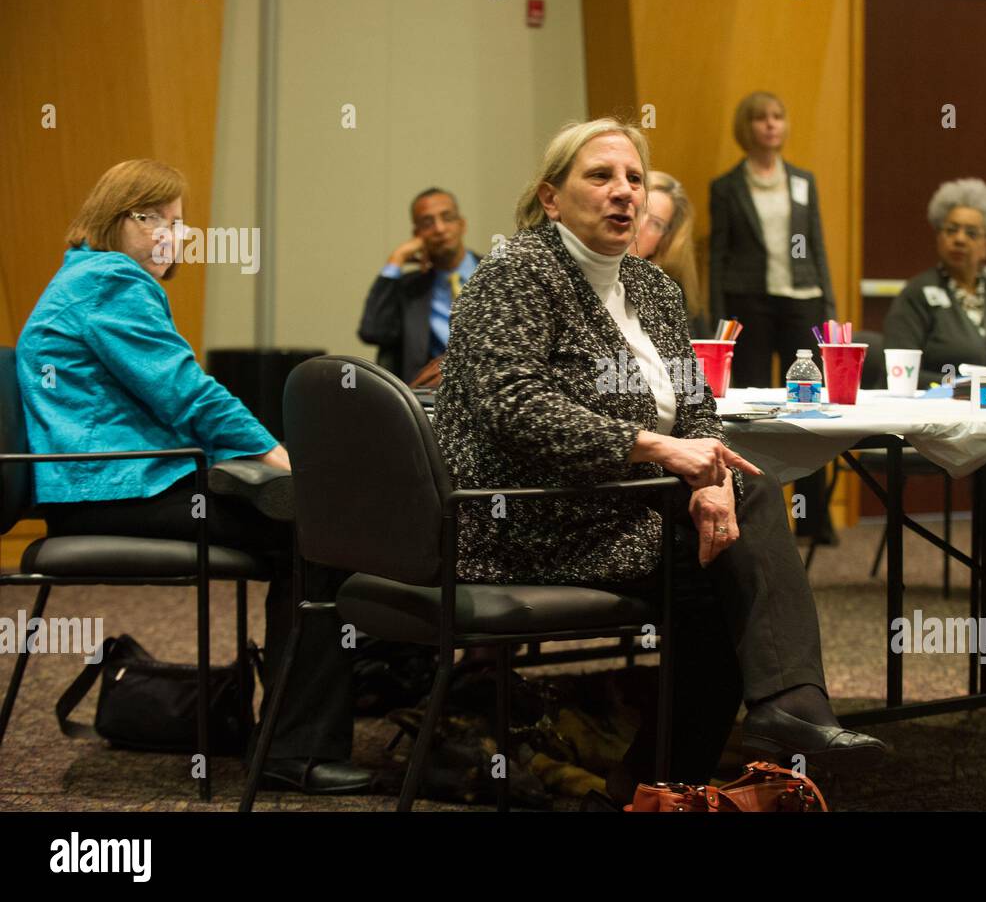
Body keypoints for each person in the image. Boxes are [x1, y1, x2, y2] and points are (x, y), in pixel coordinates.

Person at [433, 118, 885, 801]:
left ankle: (696, 761)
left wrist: (707, 478)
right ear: (551, 198)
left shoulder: (652, 288)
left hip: (622, 503)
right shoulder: (516, 273)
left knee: (734, 522)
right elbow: (514, 404)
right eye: (600, 176)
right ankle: (723, 743)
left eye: (634, 179)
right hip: (525, 515)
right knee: (731, 578)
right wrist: (652, 446)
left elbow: (697, 403)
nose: (623, 193)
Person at [16, 159, 368, 795]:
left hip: (110, 487)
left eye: (177, 222)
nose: (169, 235)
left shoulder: (85, 279)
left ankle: (298, 730)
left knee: (310, 531)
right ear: (115, 218)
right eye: (151, 218)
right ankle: (295, 750)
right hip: (113, 492)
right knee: (320, 538)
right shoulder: (109, 282)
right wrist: (273, 452)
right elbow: (185, 394)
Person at [709, 91, 837, 542]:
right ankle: (755, 509)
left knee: (811, 405)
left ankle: (814, 518)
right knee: (752, 408)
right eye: (761, 118)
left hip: (803, 298)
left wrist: (830, 307)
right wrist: (720, 320)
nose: (770, 125)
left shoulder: (803, 181)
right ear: (747, 127)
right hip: (750, 302)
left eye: (777, 116)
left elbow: (817, 244)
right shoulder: (726, 187)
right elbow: (719, 257)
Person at [885, 178, 986, 387]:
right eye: (951, 230)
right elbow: (898, 372)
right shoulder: (916, 294)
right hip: (937, 407)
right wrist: (960, 385)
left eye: (971, 233)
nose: (959, 239)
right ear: (939, 237)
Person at [358, 187, 479, 387]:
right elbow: (373, 331)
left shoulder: (497, 274)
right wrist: (396, 259)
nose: (440, 229)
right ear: (417, 234)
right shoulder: (410, 288)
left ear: (462, 224)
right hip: (429, 402)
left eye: (447, 217)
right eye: (428, 222)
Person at [636, 171, 710, 339]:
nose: (640, 225)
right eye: (639, 210)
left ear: (662, 243)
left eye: (655, 224)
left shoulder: (669, 294)